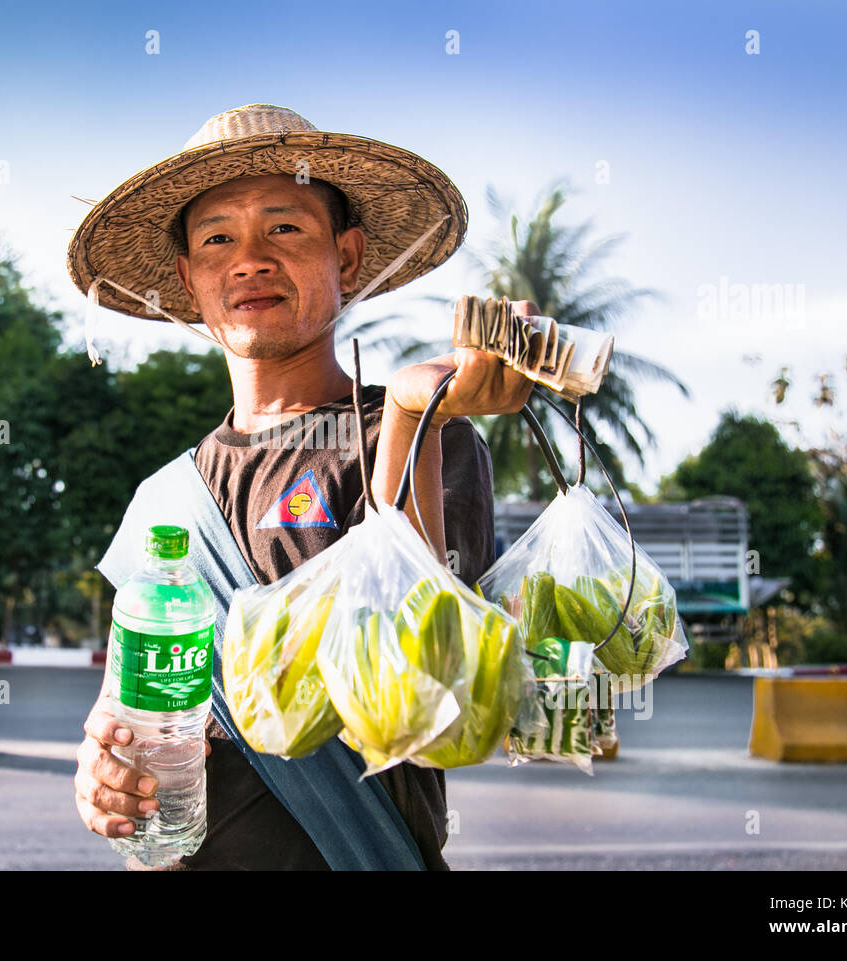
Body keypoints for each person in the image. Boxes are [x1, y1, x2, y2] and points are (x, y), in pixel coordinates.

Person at [69, 104, 536, 870]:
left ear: (347, 259)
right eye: (218, 238)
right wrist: (100, 775)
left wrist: (417, 412)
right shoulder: (163, 497)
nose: (248, 259)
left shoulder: (419, 438)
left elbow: (410, 674)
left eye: (284, 228)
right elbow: (125, 707)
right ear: (189, 280)